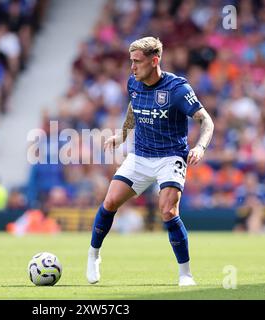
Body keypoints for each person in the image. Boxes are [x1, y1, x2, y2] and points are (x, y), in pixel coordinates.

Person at [86, 37, 214, 286]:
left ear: (154, 61)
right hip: (141, 155)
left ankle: (185, 274)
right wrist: (121, 135)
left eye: (137, 61)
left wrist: (200, 147)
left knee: (168, 210)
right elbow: (134, 108)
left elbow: (206, 120)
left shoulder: (177, 89)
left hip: (171, 156)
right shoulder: (133, 82)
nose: (131, 67)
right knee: (110, 200)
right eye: (130, 61)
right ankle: (94, 255)